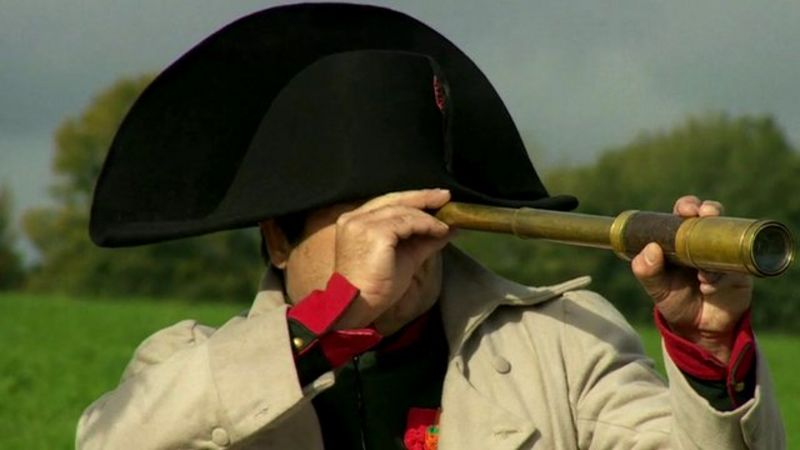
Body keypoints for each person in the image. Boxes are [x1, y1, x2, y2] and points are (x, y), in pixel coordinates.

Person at [77, 4, 785, 449]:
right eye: (359, 216)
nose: (397, 239)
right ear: (277, 238)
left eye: (416, 210)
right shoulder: (182, 365)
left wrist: (708, 350)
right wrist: (334, 315)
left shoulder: (569, 346)